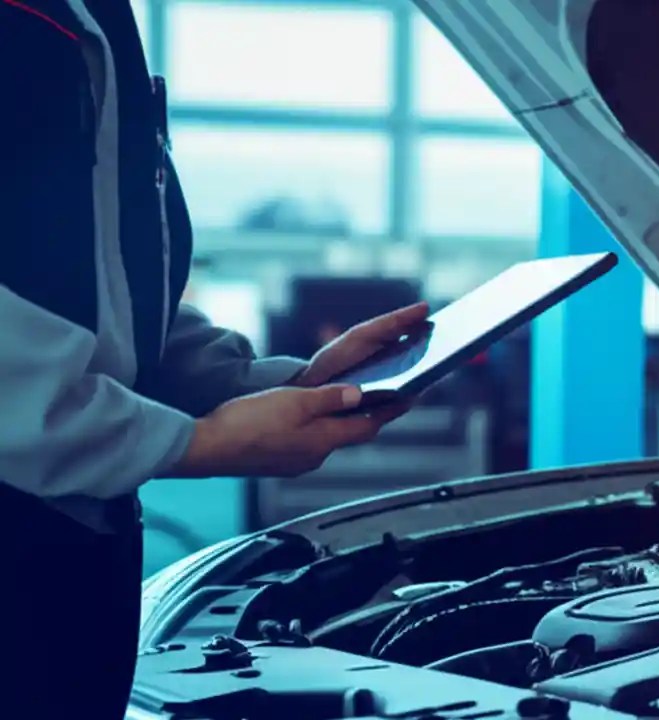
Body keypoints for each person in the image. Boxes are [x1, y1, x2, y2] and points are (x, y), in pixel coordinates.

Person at [0, 0, 424, 716]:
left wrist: (278, 381)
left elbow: (101, 283)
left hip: (68, 552)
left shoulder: (92, 16)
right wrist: (201, 441)